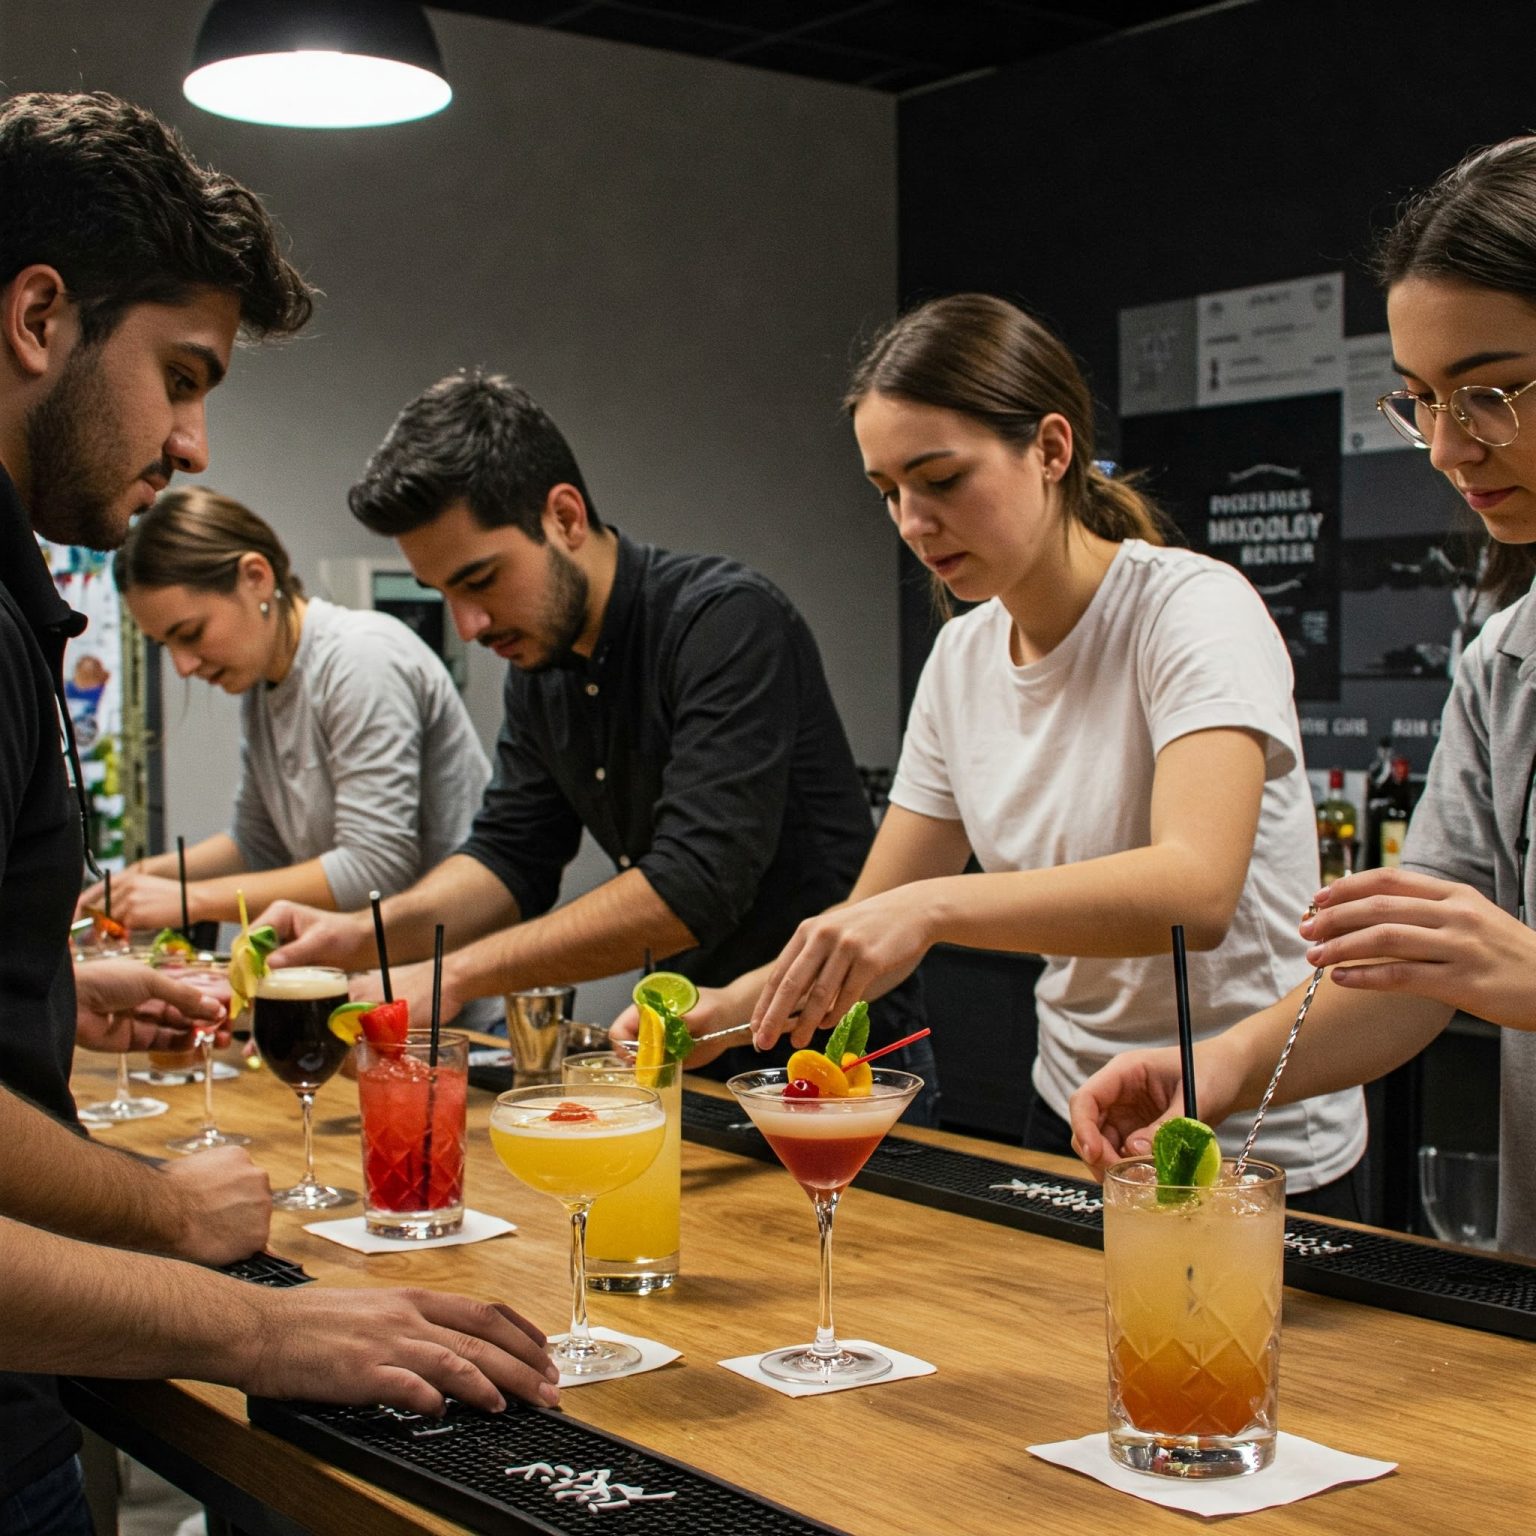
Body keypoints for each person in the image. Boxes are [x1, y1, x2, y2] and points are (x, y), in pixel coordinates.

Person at [0, 92, 554, 1530]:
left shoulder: (358, 658)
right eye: (182, 377)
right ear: (37, 317)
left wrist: (60, 978)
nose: (192, 441)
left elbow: (368, 860)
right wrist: (221, 1289)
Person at [678, 292, 1365, 1210]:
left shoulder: (1194, 610)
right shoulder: (962, 659)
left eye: (941, 479)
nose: (912, 521)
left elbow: (1196, 891)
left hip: (1252, 1134)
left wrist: (931, 908)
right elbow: (874, 925)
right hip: (1075, 1112)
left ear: (1050, 447)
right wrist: (728, 1009)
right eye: (888, 492)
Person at [1070, 136, 1536, 1261]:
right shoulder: (1505, 660)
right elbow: (1410, 970)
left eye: (1488, 394)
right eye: (1420, 400)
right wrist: (1220, 1066)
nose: (1443, 447)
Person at [258, 369, 932, 1102]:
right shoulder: (541, 669)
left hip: (835, 1068)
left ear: (565, 518)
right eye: (445, 593)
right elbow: (510, 858)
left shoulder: (725, 623)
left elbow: (690, 887)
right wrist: (359, 935)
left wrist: (456, 975)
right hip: (686, 1065)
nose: (468, 625)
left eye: (481, 580)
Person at [77, 486, 490, 929]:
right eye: (167, 646)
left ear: (256, 576)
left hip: (454, 980)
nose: (182, 666)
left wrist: (188, 899)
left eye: (191, 633)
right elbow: (257, 844)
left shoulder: (361, 659)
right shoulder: (263, 685)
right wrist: (140, 879)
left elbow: (374, 869)